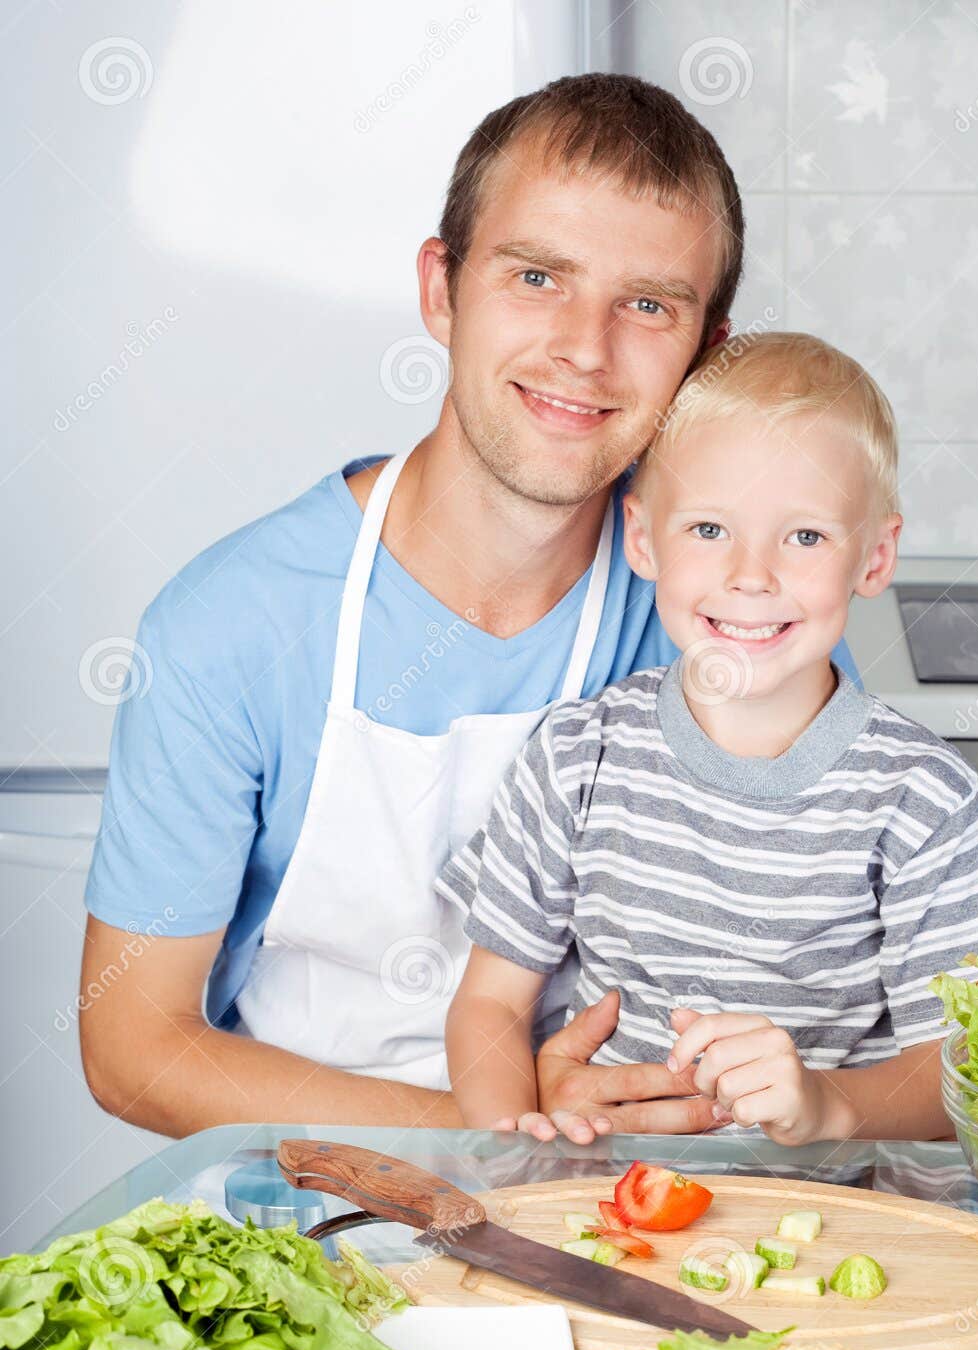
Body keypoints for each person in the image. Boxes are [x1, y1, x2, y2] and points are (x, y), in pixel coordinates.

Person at [78, 73, 856, 1140]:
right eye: (536, 276)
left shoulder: (738, 617)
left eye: (646, 305)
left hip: (638, 1194)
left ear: (703, 355)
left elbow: (830, 984)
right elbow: (133, 1048)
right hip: (320, 1202)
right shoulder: (231, 626)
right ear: (441, 291)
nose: (584, 348)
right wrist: (500, 1129)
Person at [439, 331, 978, 1157]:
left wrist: (826, 1105)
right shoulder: (576, 755)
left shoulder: (920, 796)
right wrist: (515, 1148)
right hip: (608, 1200)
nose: (751, 575)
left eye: (805, 537)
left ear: (874, 557)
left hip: (842, 1214)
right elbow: (489, 1005)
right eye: (707, 528)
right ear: (642, 538)